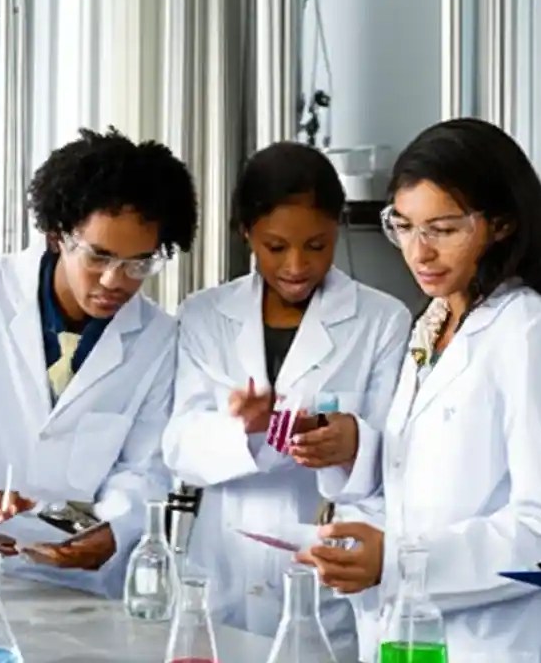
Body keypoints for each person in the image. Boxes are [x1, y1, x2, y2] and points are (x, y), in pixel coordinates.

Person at [297, 118, 541, 661]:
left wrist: (398, 560)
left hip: (506, 642)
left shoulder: (533, 334)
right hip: (422, 635)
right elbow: (434, 475)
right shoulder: (435, 323)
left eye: (443, 229)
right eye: (405, 227)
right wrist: (360, 451)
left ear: (502, 223)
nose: (420, 252)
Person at [0, 127, 197, 597]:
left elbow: (145, 465)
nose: (114, 280)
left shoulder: (158, 337)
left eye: (137, 264)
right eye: (99, 255)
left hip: (77, 587)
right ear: (57, 235)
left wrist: (114, 529)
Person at [162, 141, 410, 658]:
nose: (297, 265)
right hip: (222, 569)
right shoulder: (204, 315)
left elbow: (397, 456)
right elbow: (179, 443)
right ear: (246, 232)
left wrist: (353, 443)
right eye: (276, 247)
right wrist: (243, 430)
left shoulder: (382, 320)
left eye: (317, 246)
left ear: (338, 229)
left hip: (324, 570)